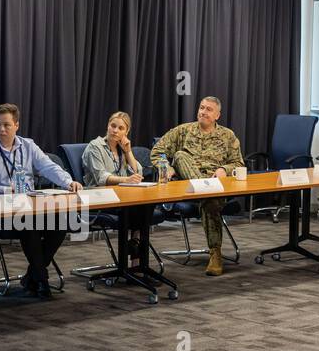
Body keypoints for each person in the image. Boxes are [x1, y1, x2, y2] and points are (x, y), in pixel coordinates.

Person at [0, 103, 82, 298]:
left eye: (6, 125)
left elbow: (48, 167)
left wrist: (68, 182)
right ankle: (41, 279)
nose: (1, 129)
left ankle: (32, 276)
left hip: (28, 206)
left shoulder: (28, 145)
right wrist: (4, 190)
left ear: (16, 125)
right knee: (29, 225)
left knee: (62, 221)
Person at [150, 96, 245, 276]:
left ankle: (215, 253)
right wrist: (167, 168)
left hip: (217, 186)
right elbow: (157, 152)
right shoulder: (183, 131)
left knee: (211, 200)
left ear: (218, 115)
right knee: (180, 155)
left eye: (209, 109)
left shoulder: (228, 135)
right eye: (201, 108)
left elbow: (239, 163)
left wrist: (224, 169)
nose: (203, 112)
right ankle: (215, 251)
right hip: (188, 186)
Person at [82, 111, 147, 257]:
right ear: (108, 126)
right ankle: (135, 254)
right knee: (137, 212)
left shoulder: (122, 149)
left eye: (121, 128)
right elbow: (101, 177)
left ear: (126, 132)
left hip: (121, 198)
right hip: (99, 198)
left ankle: (136, 253)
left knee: (145, 207)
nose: (115, 130)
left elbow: (138, 173)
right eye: (113, 126)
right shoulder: (95, 146)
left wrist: (128, 151)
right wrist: (126, 180)